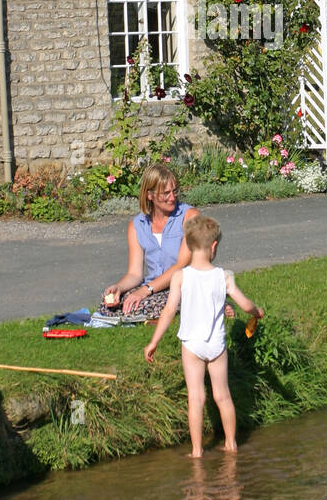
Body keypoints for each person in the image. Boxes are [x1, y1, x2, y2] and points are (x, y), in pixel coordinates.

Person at [144, 214, 263, 457]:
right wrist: (257, 312)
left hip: (192, 345)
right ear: (214, 246)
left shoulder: (180, 276)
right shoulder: (224, 276)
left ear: (188, 246)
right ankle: (231, 444)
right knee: (223, 395)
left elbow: (168, 311)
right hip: (216, 345)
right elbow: (245, 305)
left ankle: (197, 451)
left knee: (196, 398)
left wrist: (154, 341)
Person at [99, 164, 199, 321]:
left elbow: (181, 265)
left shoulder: (190, 216)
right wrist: (119, 287)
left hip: (184, 285)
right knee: (111, 302)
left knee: (145, 303)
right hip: (154, 288)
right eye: (165, 193)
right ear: (149, 195)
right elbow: (134, 274)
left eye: (174, 191)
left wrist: (146, 290)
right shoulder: (137, 225)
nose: (172, 198)